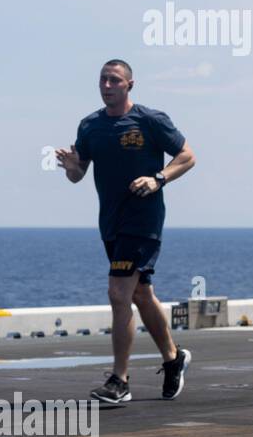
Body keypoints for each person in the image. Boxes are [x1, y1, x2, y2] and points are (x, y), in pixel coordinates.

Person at [55, 60, 195, 405]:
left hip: (143, 220)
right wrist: (72, 168)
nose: (107, 85)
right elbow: (78, 174)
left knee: (119, 293)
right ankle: (173, 357)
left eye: (114, 80)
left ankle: (120, 380)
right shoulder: (89, 126)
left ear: (129, 85)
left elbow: (187, 156)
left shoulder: (149, 120)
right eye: (103, 79)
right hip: (111, 223)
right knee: (140, 295)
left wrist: (158, 178)